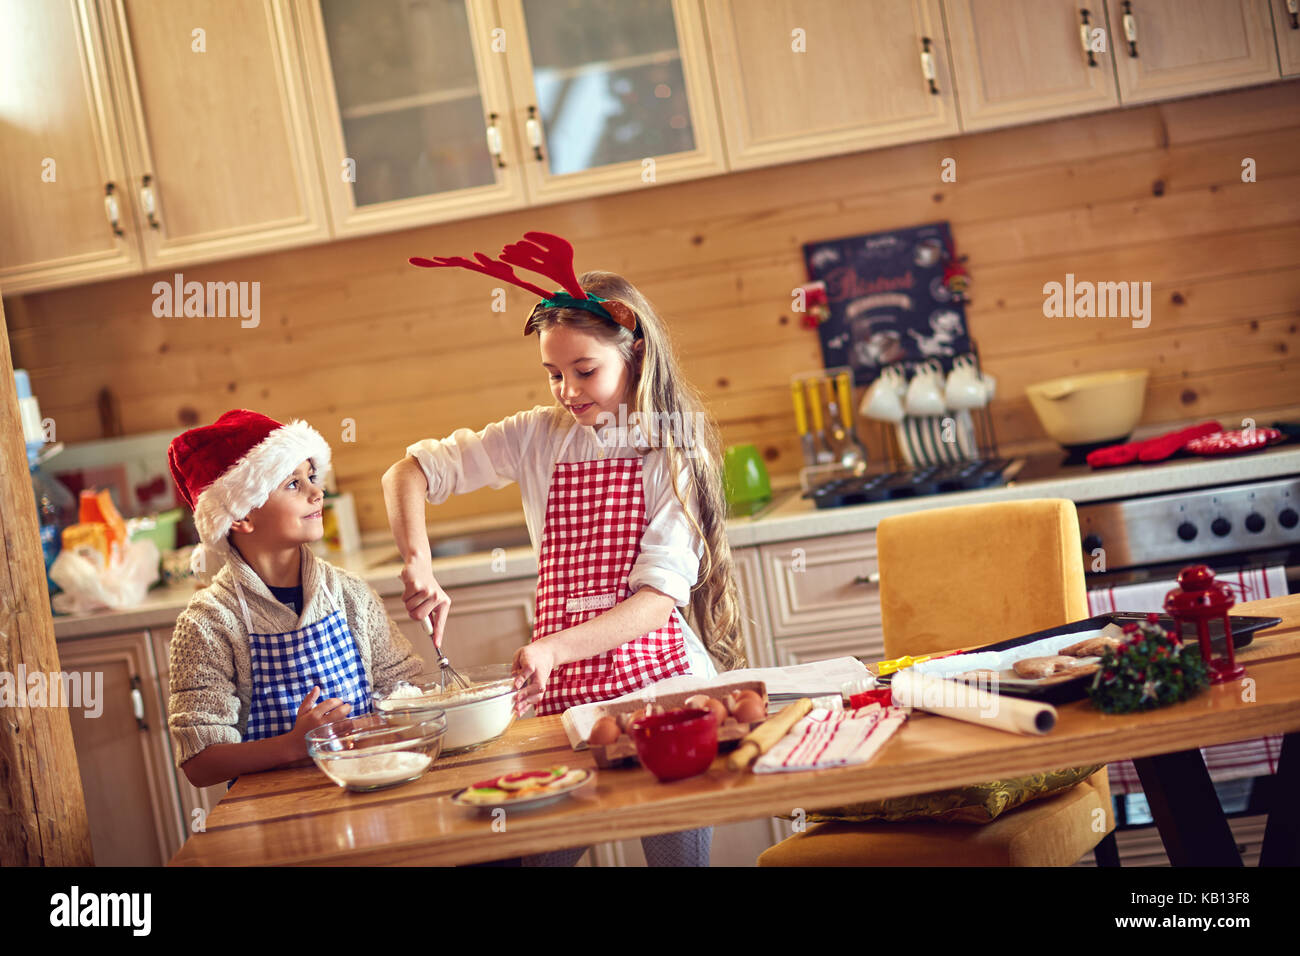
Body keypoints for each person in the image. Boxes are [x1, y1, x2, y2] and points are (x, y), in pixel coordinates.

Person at [384, 234, 745, 866]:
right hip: (564, 696)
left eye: (586, 371)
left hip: (660, 691)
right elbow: (407, 472)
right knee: (538, 856)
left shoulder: (672, 449)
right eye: (553, 374)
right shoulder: (536, 437)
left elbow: (656, 604)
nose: (568, 391)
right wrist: (417, 560)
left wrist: (551, 647)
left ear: (633, 349)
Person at [166, 410, 423, 789]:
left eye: (311, 477)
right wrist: (295, 745)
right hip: (272, 822)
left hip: (370, 793)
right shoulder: (207, 623)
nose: (316, 492)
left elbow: (406, 693)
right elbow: (200, 763)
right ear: (240, 517)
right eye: (292, 484)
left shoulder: (350, 595)